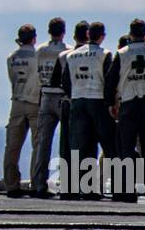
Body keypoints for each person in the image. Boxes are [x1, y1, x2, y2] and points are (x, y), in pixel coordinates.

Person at [106, 19, 145, 201]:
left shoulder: (122, 53)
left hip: (128, 103)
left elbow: (111, 80)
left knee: (126, 148)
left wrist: (110, 103)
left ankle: (126, 190)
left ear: (130, 34)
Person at [58, 20, 113, 196]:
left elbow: (65, 82)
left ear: (88, 35)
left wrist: (75, 93)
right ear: (102, 36)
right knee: (106, 144)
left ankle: (72, 188)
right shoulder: (105, 54)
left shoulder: (72, 55)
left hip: (77, 100)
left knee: (78, 146)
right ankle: (96, 188)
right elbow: (109, 80)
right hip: (97, 101)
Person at [48, 20, 89, 195]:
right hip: (88, 101)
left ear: (74, 36)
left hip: (67, 102)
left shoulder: (65, 56)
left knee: (66, 145)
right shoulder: (97, 54)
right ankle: (86, 185)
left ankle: (67, 186)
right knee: (87, 145)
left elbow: (55, 81)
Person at [2, 25, 40, 198]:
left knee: (12, 146)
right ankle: (36, 183)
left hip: (16, 102)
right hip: (34, 101)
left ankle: (11, 184)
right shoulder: (37, 56)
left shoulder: (12, 57)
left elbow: (12, 79)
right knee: (37, 145)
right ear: (34, 38)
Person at [31, 18, 68, 197]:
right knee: (66, 143)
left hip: (45, 95)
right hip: (62, 97)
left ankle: (38, 184)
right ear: (63, 32)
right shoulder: (66, 51)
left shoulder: (40, 51)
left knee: (42, 143)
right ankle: (66, 183)